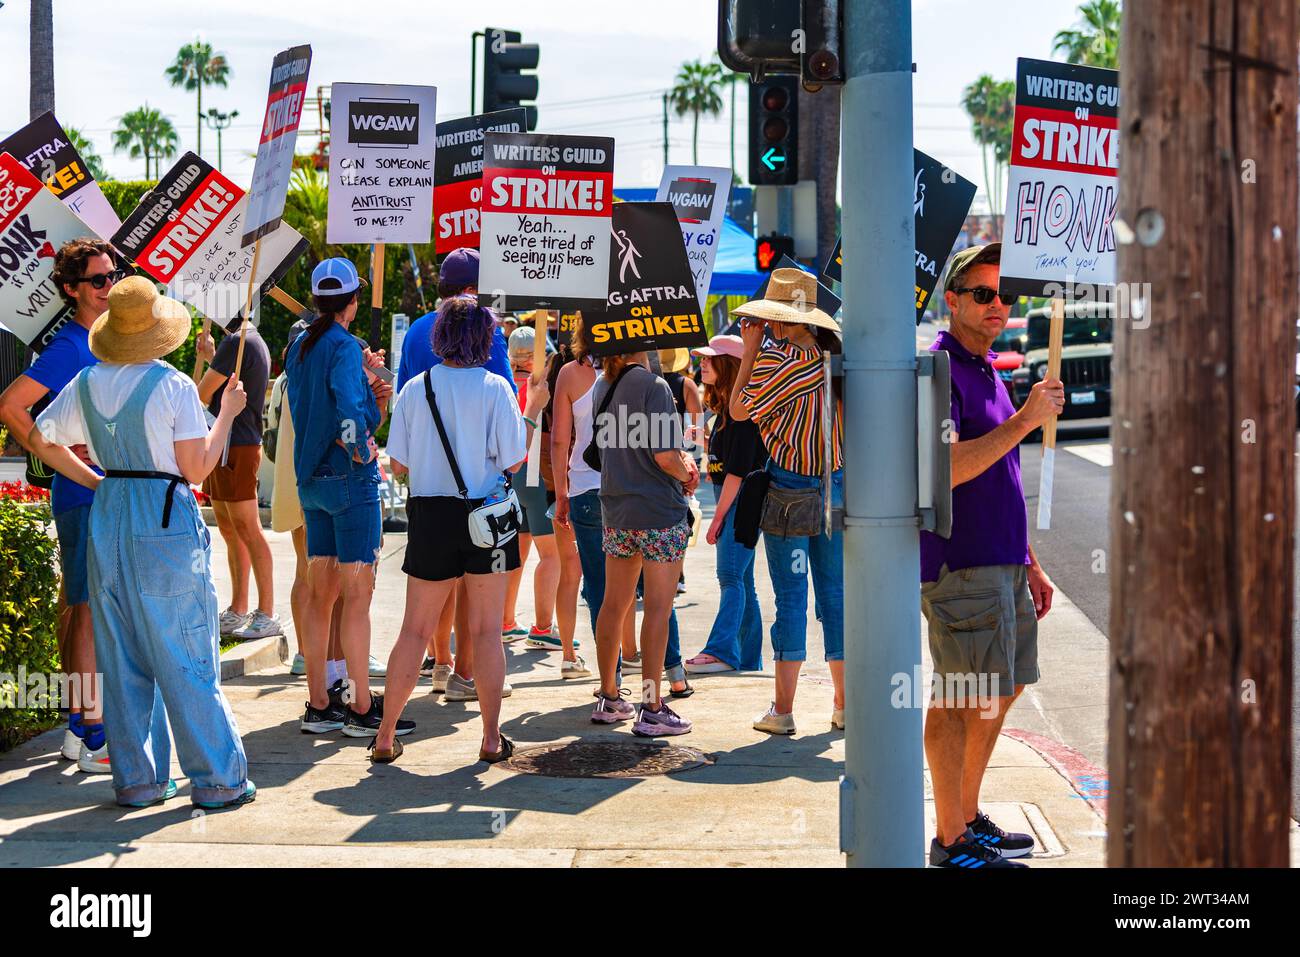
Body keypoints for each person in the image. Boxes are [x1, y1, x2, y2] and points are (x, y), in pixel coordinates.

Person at [28, 276, 254, 808]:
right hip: (164, 515)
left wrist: (93, 480)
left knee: (120, 652)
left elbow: (40, 438)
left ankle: (137, 780)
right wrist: (226, 414)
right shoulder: (171, 384)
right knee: (185, 649)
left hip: (110, 512)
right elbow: (197, 468)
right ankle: (218, 780)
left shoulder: (86, 381)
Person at [921, 243, 1062, 869]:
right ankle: (949, 838)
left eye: (1003, 296)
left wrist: (1029, 559)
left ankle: (968, 815)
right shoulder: (938, 371)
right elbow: (943, 471)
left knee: (999, 692)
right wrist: (1027, 420)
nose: (997, 306)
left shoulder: (987, 370)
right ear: (952, 300)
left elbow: (1000, 472)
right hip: (961, 566)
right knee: (961, 696)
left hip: (1002, 563)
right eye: (982, 294)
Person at [370, 297, 539, 764]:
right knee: (486, 631)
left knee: (414, 630)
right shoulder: (495, 388)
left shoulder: (414, 389)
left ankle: (385, 736)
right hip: (486, 516)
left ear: (438, 336)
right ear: (486, 339)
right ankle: (489, 736)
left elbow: (398, 464)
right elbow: (514, 460)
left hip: (430, 514)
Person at [0, 239, 120, 774]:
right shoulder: (73, 347)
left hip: (87, 495)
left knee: (78, 609)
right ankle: (94, 736)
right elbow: (10, 405)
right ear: (72, 290)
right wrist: (52, 452)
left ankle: (78, 729)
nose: (109, 286)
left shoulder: (101, 340)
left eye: (113, 276)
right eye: (97, 280)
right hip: (84, 496)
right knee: (90, 612)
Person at [284, 257, 399, 738]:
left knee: (321, 592)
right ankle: (359, 706)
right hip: (348, 478)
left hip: (310, 478)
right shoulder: (342, 346)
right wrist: (377, 406)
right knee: (357, 594)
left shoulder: (299, 345)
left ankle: (319, 703)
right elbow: (353, 421)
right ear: (352, 301)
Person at [731, 268, 845, 736]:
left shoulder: (781, 360)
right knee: (835, 597)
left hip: (791, 491)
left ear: (778, 319)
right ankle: (844, 705)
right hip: (834, 485)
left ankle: (783, 709)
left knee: (791, 597)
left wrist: (751, 350)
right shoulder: (830, 357)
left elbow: (738, 409)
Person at [586, 345, 699, 736]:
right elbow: (666, 455)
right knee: (657, 609)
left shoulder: (603, 385)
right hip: (658, 510)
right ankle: (652, 705)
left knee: (613, 605)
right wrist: (688, 473)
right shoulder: (656, 386)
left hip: (616, 510)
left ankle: (609, 695)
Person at [268, 321, 347, 682]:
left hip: (292, 479)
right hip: (314, 480)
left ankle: (306, 652)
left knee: (306, 571)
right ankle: (328, 659)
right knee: (330, 580)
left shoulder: (287, 379)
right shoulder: (314, 378)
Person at [685, 335, 767, 675]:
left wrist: (718, 519)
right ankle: (749, 661)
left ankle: (722, 651)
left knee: (730, 577)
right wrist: (703, 439)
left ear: (729, 365)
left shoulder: (743, 413)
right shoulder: (728, 412)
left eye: (710, 359)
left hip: (740, 501)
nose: (702, 363)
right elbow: (730, 458)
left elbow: (738, 471)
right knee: (743, 581)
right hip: (734, 499)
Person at [195, 318, 280, 640]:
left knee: (248, 530)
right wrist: (211, 356)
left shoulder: (238, 342)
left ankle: (267, 612)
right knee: (231, 530)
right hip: (228, 444)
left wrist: (211, 361)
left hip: (237, 446)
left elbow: (202, 393)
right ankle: (239, 606)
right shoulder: (241, 342)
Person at [503, 323, 560, 645]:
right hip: (534, 472)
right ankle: (542, 627)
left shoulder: (504, 383)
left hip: (513, 476)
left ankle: (506, 620)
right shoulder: (540, 388)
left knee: (519, 552)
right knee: (551, 555)